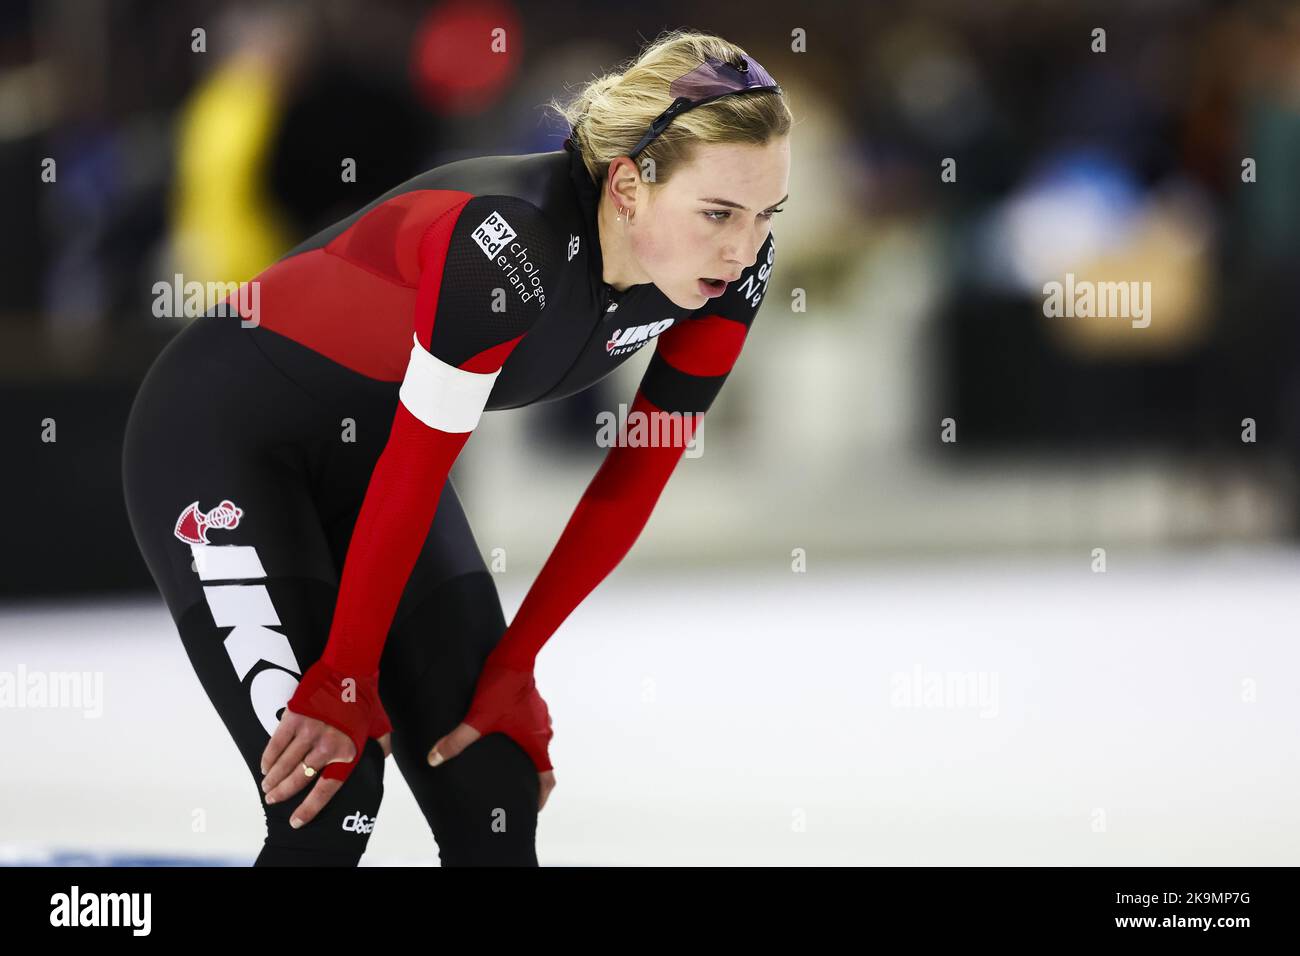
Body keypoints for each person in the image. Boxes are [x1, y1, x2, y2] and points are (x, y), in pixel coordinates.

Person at [122, 29, 792, 866]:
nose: (744, 245)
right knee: (331, 793)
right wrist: (342, 676)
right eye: (719, 213)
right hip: (221, 436)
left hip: (377, 455)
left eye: (768, 214)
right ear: (628, 184)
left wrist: (516, 663)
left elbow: (634, 475)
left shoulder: (730, 273)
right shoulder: (504, 245)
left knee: (493, 787)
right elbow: (417, 464)